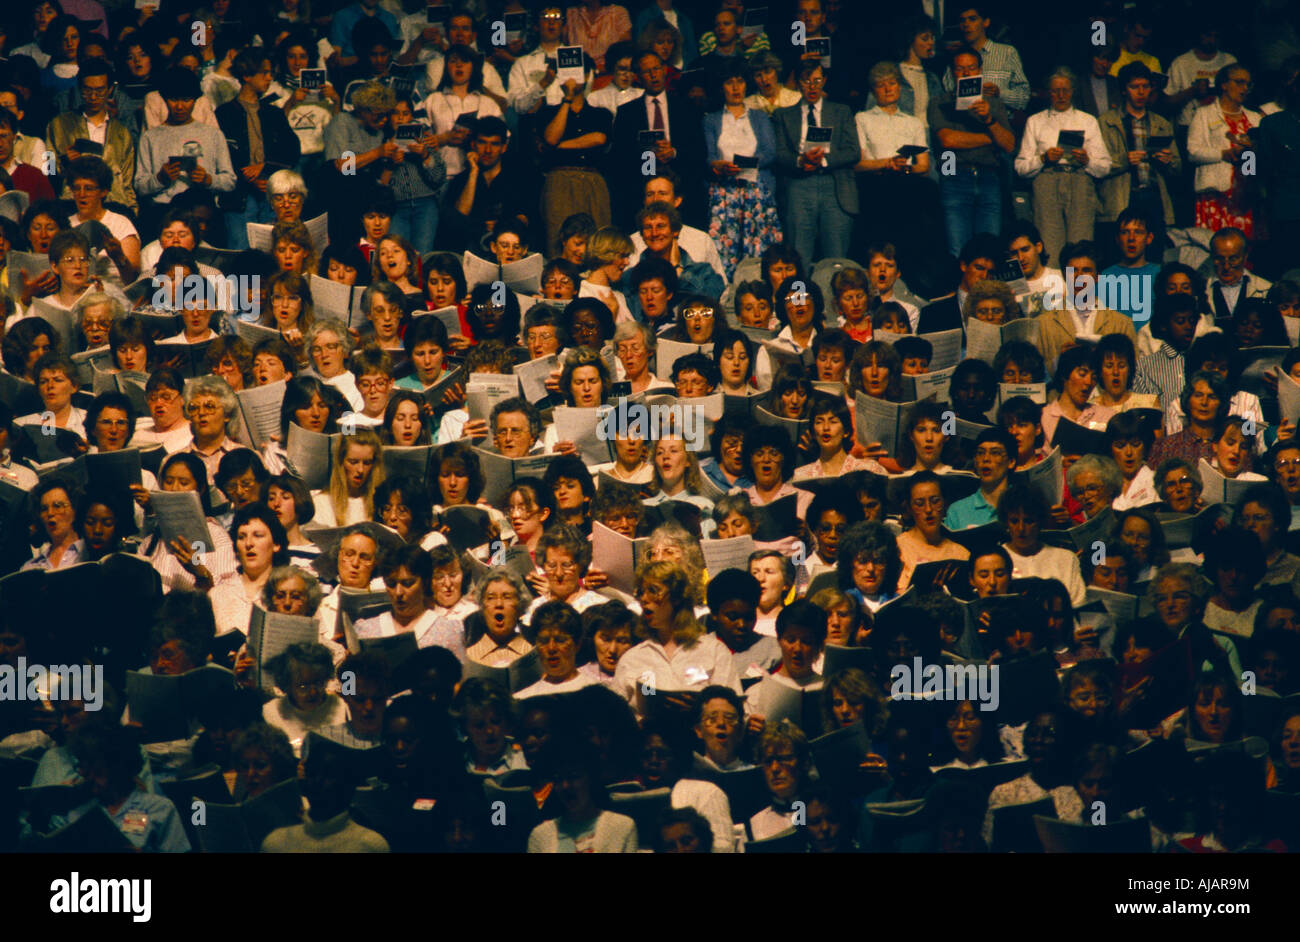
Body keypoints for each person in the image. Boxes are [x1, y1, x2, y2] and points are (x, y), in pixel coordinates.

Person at [1013, 66, 1110, 267]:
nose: (1061, 95)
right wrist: (1042, 159)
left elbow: (1105, 166)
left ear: (1072, 91)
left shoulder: (1088, 120)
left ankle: (1082, 295)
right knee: (1049, 246)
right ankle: (1054, 296)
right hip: (1047, 181)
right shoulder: (1035, 121)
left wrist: (1087, 161)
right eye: (1055, 91)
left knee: (1081, 244)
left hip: (1079, 180)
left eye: (1065, 90)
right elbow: (1020, 167)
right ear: (1049, 93)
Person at [772, 62, 858, 267]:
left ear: (824, 81)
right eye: (806, 81)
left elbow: (853, 151)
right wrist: (801, 161)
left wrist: (824, 160)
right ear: (798, 84)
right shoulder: (782, 115)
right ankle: (800, 299)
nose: (812, 87)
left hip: (834, 184)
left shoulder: (841, 111)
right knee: (799, 256)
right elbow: (779, 154)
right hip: (799, 185)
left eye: (817, 81)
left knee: (836, 257)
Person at [930, 45, 1014, 256]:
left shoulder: (993, 104)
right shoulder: (939, 102)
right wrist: (991, 139)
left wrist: (988, 120)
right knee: (958, 250)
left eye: (971, 68)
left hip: (989, 177)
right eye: (960, 69)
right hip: (953, 173)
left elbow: (1010, 145)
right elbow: (947, 140)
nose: (966, 73)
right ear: (952, 72)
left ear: (979, 70)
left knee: (989, 251)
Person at [703, 59, 780, 279]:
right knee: (724, 253)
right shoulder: (712, 120)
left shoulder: (759, 116)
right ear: (721, 87)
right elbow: (709, 157)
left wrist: (745, 164)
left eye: (739, 82)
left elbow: (770, 152)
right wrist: (717, 166)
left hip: (756, 193)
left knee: (757, 253)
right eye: (729, 83)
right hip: (725, 195)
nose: (736, 88)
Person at [1097, 63, 1181, 253]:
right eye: (1135, 87)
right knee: (1120, 256)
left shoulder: (1161, 123)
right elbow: (1097, 165)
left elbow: (1178, 167)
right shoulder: (1107, 121)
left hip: (1153, 196)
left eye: (1146, 86)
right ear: (1124, 90)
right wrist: (1124, 160)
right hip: (1122, 198)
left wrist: (1168, 162)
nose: (1141, 92)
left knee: (1154, 255)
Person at [46, 57, 137, 212]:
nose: (93, 97)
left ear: (110, 90)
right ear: (80, 89)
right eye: (88, 90)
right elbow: (47, 168)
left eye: (100, 90)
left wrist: (132, 210)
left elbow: (127, 182)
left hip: (114, 204)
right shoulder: (58, 125)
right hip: (72, 204)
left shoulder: (121, 132)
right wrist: (64, 161)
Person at [1188, 64, 1261, 236]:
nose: (1244, 88)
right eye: (1239, 82)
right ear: (1224, 85)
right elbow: (1193, 152)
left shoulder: (1254, 118)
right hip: (1215, 193)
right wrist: (1223, 154)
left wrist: (1249, 157)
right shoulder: (1204, 114)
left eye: (1248, 84)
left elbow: (1256, 159)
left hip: (1244, 194)